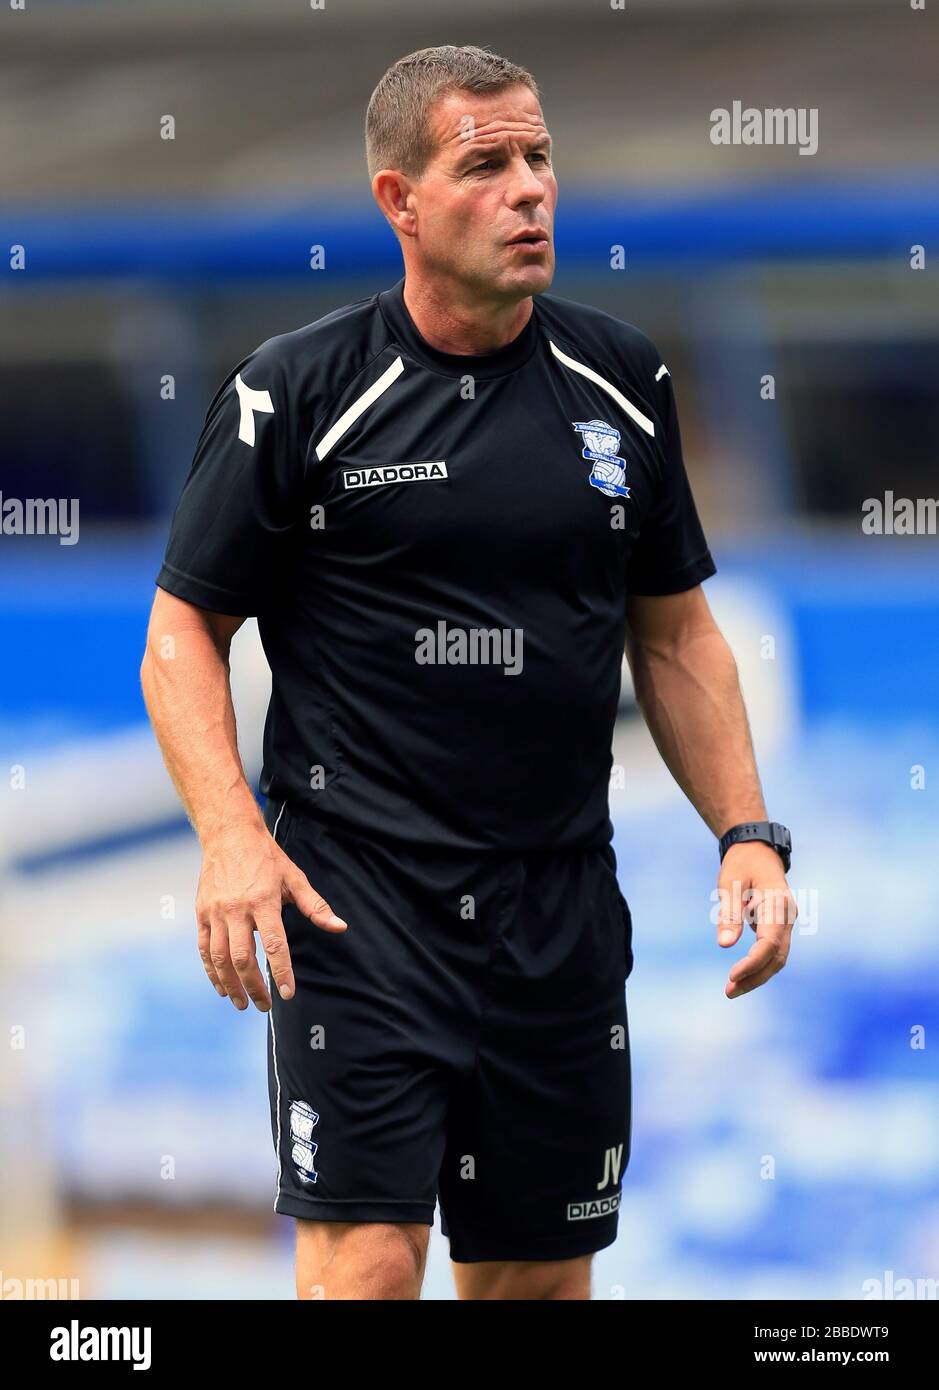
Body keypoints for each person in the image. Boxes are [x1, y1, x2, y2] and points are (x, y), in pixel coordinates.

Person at [141, 44, 797, 1301]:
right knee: (370, 1273)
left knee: (536, 1287)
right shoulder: (296, 394)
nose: (530, 190)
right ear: (400, 201)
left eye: (539, 158)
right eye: (485, 165)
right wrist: (230, 836)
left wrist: (747, 830)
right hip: (358, 907)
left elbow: (676, 633)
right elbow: (182, 635)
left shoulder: (624, 383)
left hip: (556, 913)